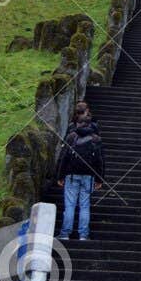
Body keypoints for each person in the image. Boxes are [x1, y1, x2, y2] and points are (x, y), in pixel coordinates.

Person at [55, 104, 105, 242]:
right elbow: (100, 160)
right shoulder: (96, 139)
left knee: (70, 205)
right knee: (84, 205)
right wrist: (100, 179)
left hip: (71, 175)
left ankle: (65, 233)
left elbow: (64, 157)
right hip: (89, 175)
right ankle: (83, 234)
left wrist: (60, 176)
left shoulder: (72, 136)